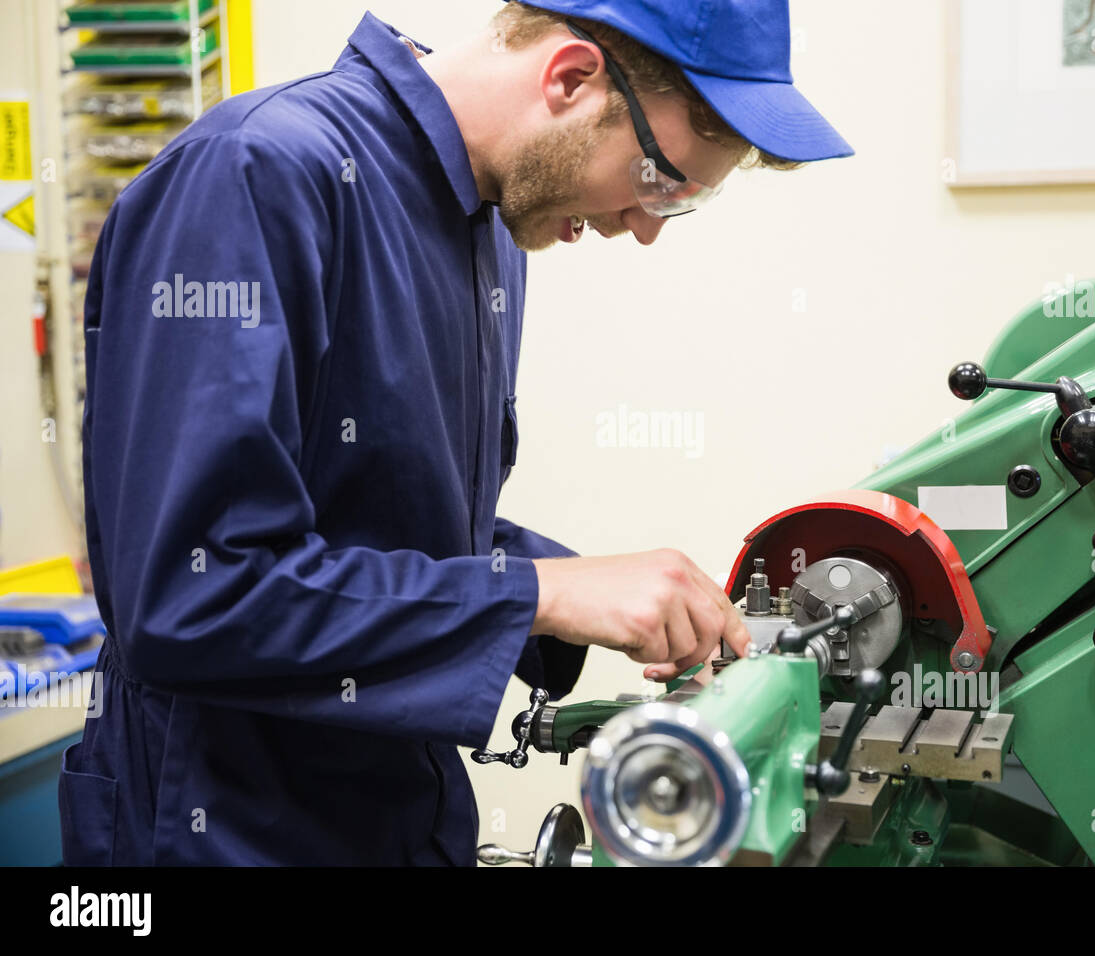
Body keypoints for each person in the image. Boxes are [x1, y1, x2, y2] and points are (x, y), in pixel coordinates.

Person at [61, 0, 853, 865]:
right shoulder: (255, 174)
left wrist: (578, 592)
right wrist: (541, 596)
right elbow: (191, 593)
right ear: (571, 77)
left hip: (397, 808)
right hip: (223, 825)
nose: (648, 227)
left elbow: (387, 518)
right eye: (659, 178)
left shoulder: (489, 225)